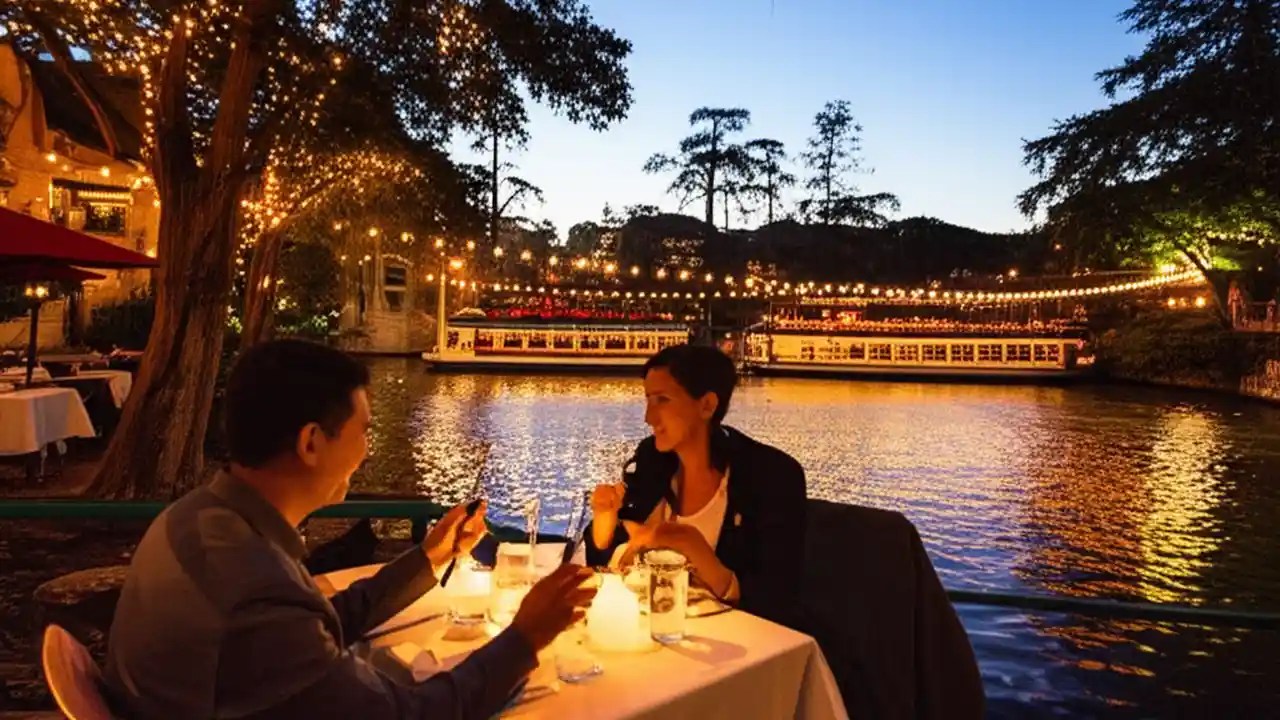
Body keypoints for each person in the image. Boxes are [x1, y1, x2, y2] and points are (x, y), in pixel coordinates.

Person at [104, 339, 596, 719]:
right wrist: (526, 637)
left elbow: (315, 622)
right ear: (311, 443)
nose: (369, 451)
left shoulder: (198, 521)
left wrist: (428, 559)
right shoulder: (252, 589)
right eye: (363, 432)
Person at [585, 344, 806, 627]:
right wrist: (604, 517)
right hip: (651, 630)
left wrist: (688, 544)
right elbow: (610, 561)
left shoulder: (769, 476)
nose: (648, 418)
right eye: (648, 400)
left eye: (662, 400)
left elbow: (776, 599)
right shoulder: (654, 461)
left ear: (707, 405)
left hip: (736, 647)